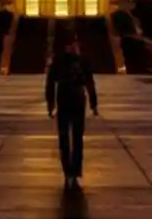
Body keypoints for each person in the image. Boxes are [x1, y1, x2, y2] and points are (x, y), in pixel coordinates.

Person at [45, 33, 98, 188]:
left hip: (77, 100)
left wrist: (94, 104)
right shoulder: (59, 61)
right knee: (64, 138)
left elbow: (90, 83)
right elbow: (50, 84)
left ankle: (75, 170)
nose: (73, 47)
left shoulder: (82, 61)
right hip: (65, 100)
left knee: (77, 137)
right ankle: (68, 171)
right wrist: (51, 104)